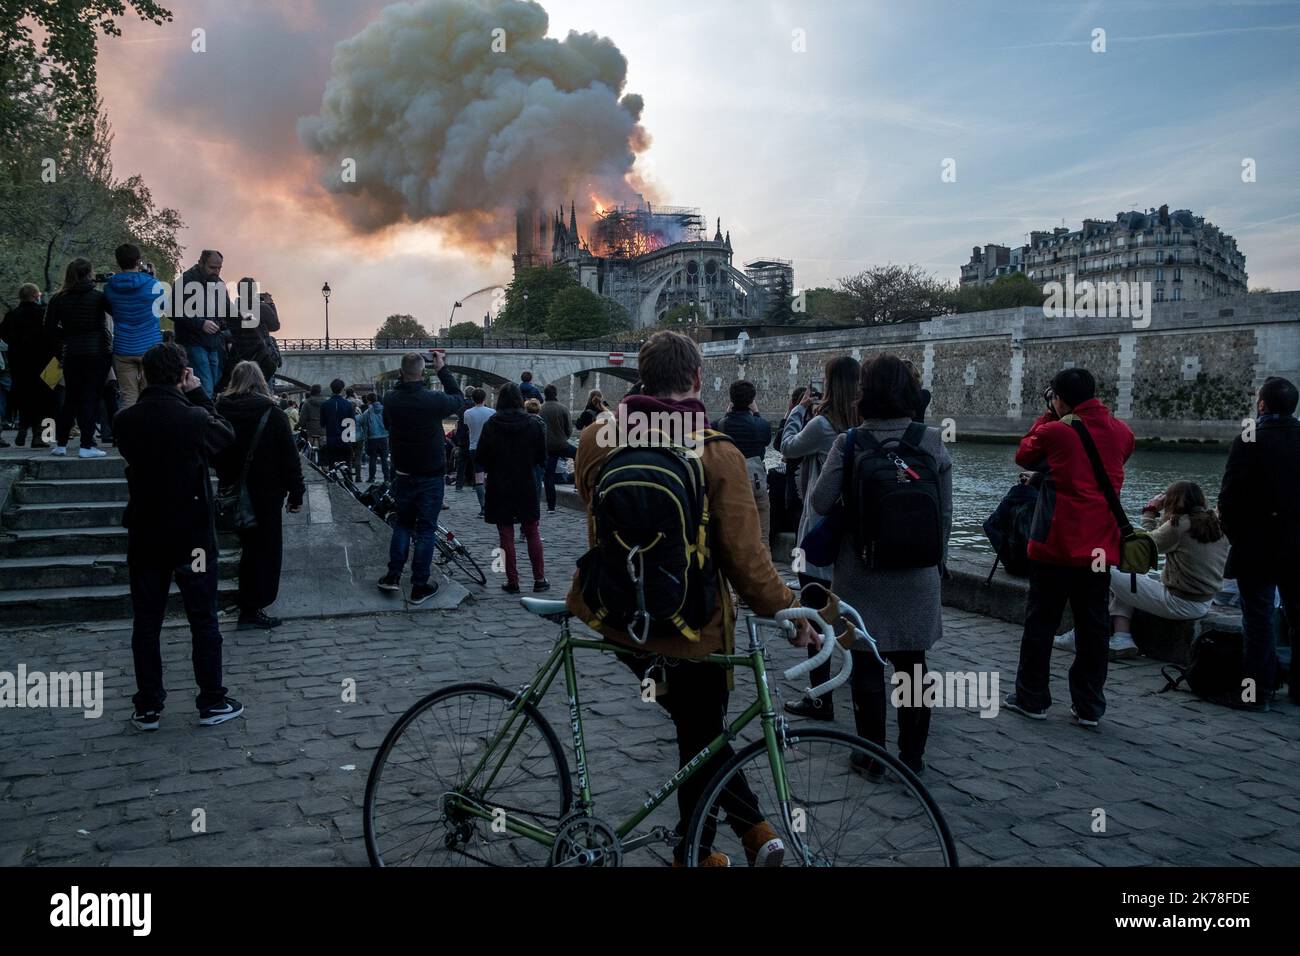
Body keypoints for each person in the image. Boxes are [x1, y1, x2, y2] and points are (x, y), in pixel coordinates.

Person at [566, 330, 815, 867]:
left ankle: (717, 845)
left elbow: (595, 507)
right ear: (698, 379)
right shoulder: (717, 451)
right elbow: (747, 563)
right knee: (701, 732)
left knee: (696, 732)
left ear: (640, 377)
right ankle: (732, 840)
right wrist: (790, 611)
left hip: (619, 619)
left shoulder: (597, 439)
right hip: (691, 624)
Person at [807, 355, 952, 776]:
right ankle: (912, 756)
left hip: (862, 573)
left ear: (864, 393)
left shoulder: (850, 442)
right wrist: (934, 562)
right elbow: (944, 514)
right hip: (916, 573)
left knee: (866, 666)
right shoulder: (930, 440)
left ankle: (870, 755)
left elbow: (819, 502)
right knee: (913, 665)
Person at [113, 341, 242, 729]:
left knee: (146, 621)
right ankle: (211, 699)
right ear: (183, 374)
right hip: (193, 535)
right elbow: (227, 441)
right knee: (203, 618)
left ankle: (148, 705)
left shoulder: (124, 421)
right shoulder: (195, 418)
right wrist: (199, 394)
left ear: (145, 375)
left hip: (147, 531)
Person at [1004, 367, 1135, 727]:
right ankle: (1089, 705)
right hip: (1100, 546)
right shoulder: (1123, 433)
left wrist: (1050, 414)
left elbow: (1025, 453)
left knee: (1040, 623)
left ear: (1059, 397)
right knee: (1093, 627)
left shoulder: (1055, 430)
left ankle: (1032, 698)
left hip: (1057, 543)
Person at [1055, 480, 1229, 659]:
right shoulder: (1215, 524)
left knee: (1100, 570)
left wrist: (1149, 512)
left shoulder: (1179, 525)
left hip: (1178, 602)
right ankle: (1122, 637)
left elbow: (1142, 548)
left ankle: (1080, 636)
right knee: (1129, 578)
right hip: (1203, 602)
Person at [779, 356, 861, 719]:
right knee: (847, 617)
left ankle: (820, 698)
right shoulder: (861, 423)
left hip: (819, 532)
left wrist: (797, 410)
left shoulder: (824, 425)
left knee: (815, 614)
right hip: (851, 535)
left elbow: (787, 447)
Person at [1219, 376, 1300, 710]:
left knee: (1258, 620)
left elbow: (1229, 499)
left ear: (1262, 404)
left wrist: (1240, 538)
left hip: (1257, 546)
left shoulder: (1249, 438)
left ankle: (1257, 694)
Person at [214, 360, 304, 628]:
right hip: (266, 495)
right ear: (261, 382)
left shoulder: (220, 411)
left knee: (246, 548)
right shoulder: (273, 414)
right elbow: (291, 459)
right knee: (264, 552)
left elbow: (213, 452)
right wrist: (296, 494)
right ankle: (252, 608)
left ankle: (246, 603)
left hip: (233, 492)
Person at [378, 351, 468, 604]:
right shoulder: (433, 400)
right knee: (426, 529)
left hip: (403, 472)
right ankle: (419, 585)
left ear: (400, 372)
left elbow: (387, 424)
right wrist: (442, 369)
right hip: (430, 474)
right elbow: (458, 398)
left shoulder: (391, 399)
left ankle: (393, 576)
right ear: (423, 372)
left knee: (403, 525)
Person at [475, 383, 547, 593]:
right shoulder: (533, 424)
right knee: (532, 530)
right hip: (526, 481)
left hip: (500, 483)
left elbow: (481, 457)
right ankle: (539, 579)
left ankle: (512, 581)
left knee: (505, 533)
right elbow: (541, 457)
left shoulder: (491, 424)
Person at [44, 258, 112, 458]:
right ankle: (86, 445)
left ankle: (61, 443)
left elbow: (48, 328)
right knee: (91, 397)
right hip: (97, 351)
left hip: (72, 352)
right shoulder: (98, 297)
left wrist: (66, 337)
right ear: (90, 273)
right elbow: (116, 312)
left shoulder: (58, 299)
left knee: (71, 398)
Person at [102, 243, 163, 410]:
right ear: (138, 261)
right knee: (149, 393)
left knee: (128, 394)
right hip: (149, 347)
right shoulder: (152, 284)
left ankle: (127, 433)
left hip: (123, 347)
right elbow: (161, 307)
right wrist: (153, 277)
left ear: (118, 262)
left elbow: (111, 309)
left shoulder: (109, 288)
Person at [713, 380, 773, 546]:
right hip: (756, 484)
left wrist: (726, 416)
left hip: (729, 484)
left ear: (731, 400)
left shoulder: (718, 425)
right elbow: (766, 439)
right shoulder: (762, 425)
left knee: (729, 538)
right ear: (752, 400)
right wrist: (757, 414)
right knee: (762, 538)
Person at [0, 284, 54, 448]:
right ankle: (45, 436)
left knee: (24, 397)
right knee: (48, 400)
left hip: (19, 364)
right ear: (36, 296)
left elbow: (3, 335)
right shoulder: (44, 313)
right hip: (46, 363)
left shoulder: (12, 315)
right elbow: (54, 335)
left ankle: (23, 428)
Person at [175, 250, 230, 396]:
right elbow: (172, 310)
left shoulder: (219, 284)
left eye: (219, 268)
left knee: (215, 384)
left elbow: (227, 311)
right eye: (212, 267)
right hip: (193, 343)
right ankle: (206, 416)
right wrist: (200, 323)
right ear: (201, 263)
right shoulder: (185, 281)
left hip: (214, 343)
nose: (216, 271)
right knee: (206, 387)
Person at [228, 278, 281, 383]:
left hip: (240, 353)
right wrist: (270, 304)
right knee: (264, 384)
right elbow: (275, 326)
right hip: (261, 352)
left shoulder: (233, 309)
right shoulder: (262, 308)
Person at [540, 383, 576, 512]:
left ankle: (551, 507)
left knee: (549, 476)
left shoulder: (540, 409)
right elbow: (569, 429)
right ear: (556, 394)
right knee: (579, 455)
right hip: (561, 444)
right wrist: (563, 438)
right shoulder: (562, 408)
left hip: (546, 447)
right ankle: (578, 483)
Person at [463, 387, 495, 517]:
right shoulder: (492, 412)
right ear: (484, 398)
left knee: (479, 478)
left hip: (474, 446)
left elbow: (467, 428)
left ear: (472, 398)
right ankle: (493, 504)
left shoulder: (468, 413)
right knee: (492, 476)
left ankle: (483, 507)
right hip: (490, 447)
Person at [318, 378, 353, 475]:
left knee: (332, 465)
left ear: (331, 389)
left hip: (331, 438)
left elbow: (322, 423)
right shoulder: (348, 404)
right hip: (345, 438)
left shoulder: (325, 405)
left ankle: (333, 485)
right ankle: (348, 483)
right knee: (347, 464)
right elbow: (351, 423)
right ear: (342, 389)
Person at [361, 393, 391, 483]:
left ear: (369, 401)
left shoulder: (367, 413)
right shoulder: (385, 410)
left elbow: (365, 428)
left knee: (372, 459)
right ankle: (387, 478)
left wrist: (365, 441)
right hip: (384, 437)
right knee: (384, 459)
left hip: (372, 438)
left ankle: (371, 478)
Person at [524, 397, 544, 502]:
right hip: (538, 457)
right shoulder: (542, 422)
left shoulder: (523, 421)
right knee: (538, 481)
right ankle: (535, 503)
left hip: (526, 456)